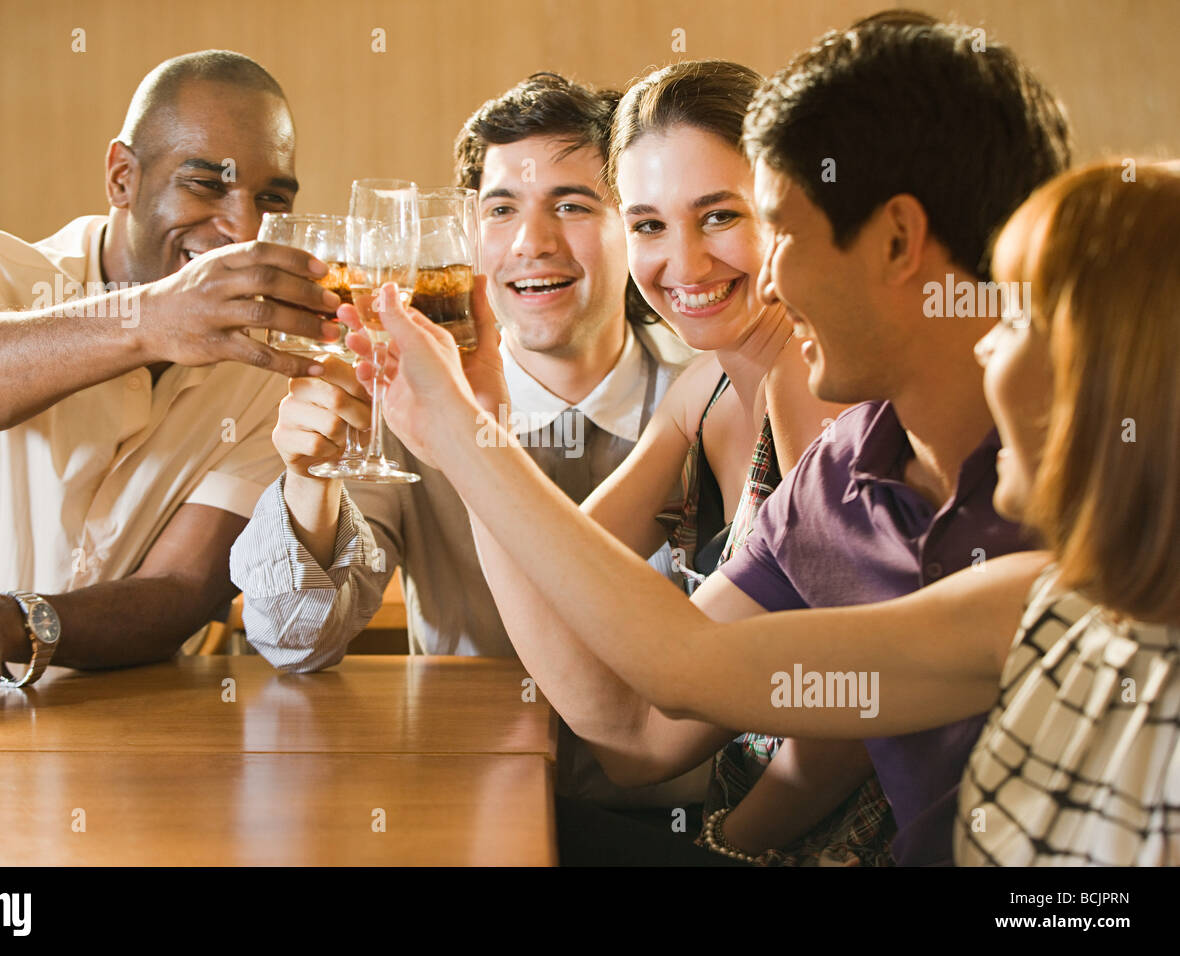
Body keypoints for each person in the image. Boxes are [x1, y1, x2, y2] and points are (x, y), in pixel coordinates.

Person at [348, 16, 1073, 864]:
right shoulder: (846, 469)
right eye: (650, 222)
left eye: (774, 224)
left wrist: (470, 438)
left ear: (898, 239)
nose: (768, 275)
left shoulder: (1092, 492)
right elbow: (646, 714)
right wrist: (474, 430)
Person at [229, 73, 699, 805]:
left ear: (635, 225)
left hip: (673, 818)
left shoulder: (707, 401)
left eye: (571, 205)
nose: (530, 243)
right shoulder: (414, 402)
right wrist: (310, 477)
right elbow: (296, 644)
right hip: (468, 811)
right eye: (501, 208)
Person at [473, 59, 877, 865]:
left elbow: (843, 726)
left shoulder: (820, 385)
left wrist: (729, 847)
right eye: (651, 225)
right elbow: (563, 579)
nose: (684, 266)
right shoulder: (706, 386)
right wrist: (482, 424)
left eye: (720, 216)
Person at [0, 50, 349, 708]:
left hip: (120, 747)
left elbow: (181, 590)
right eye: (207, 185)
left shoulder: (264, 371)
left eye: (270, 198)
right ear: (122, 176)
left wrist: (11, 623)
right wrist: (150, 320)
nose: (243, 228)